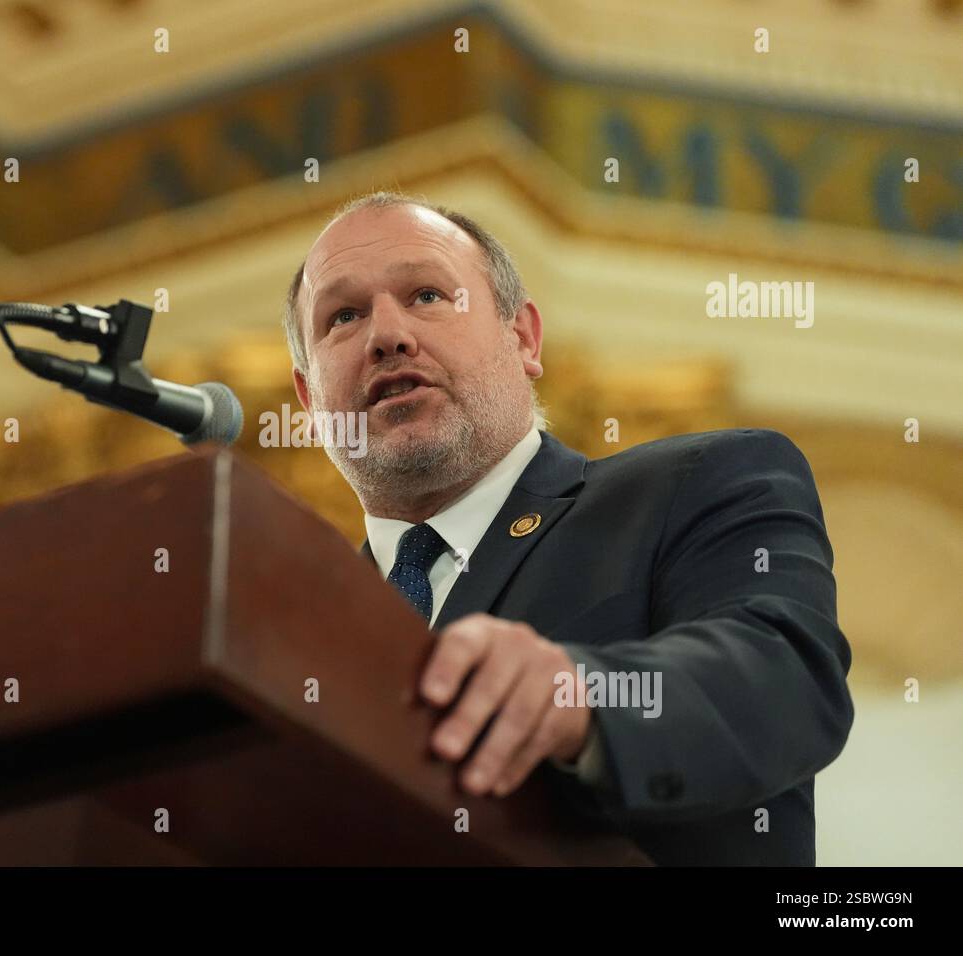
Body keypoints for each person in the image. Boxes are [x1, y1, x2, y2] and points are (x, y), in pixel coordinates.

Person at [282, 191, 854, 865]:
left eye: (428, 295)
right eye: (343, 316)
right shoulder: (298, 636)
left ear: (522, 337)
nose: (387, 334)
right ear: (308, 398)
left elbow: (785, 683)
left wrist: (576, 694)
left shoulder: (703, 482)